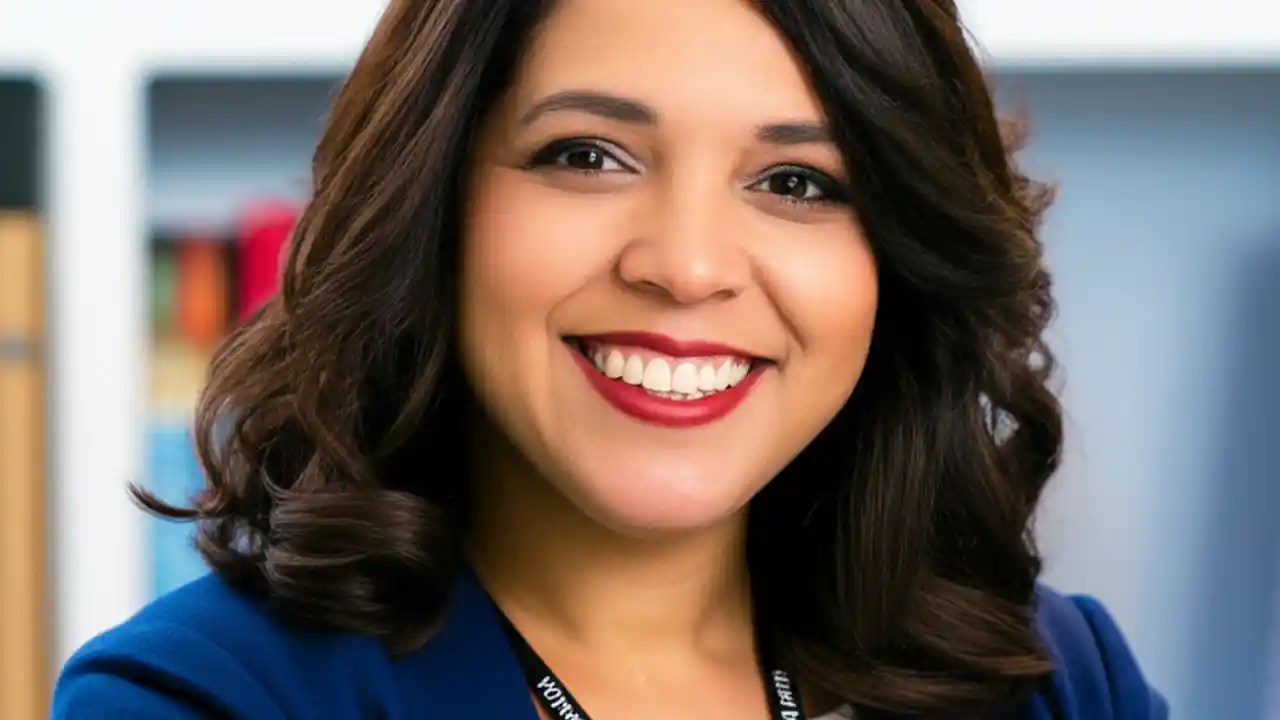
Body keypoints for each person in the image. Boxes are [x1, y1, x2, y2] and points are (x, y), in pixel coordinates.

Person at [52, 0, 1168, 718]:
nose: (685, 267)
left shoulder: (1056, 683)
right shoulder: (202, 700)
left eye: (795, 182)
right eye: (587, 155)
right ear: (431, 207)